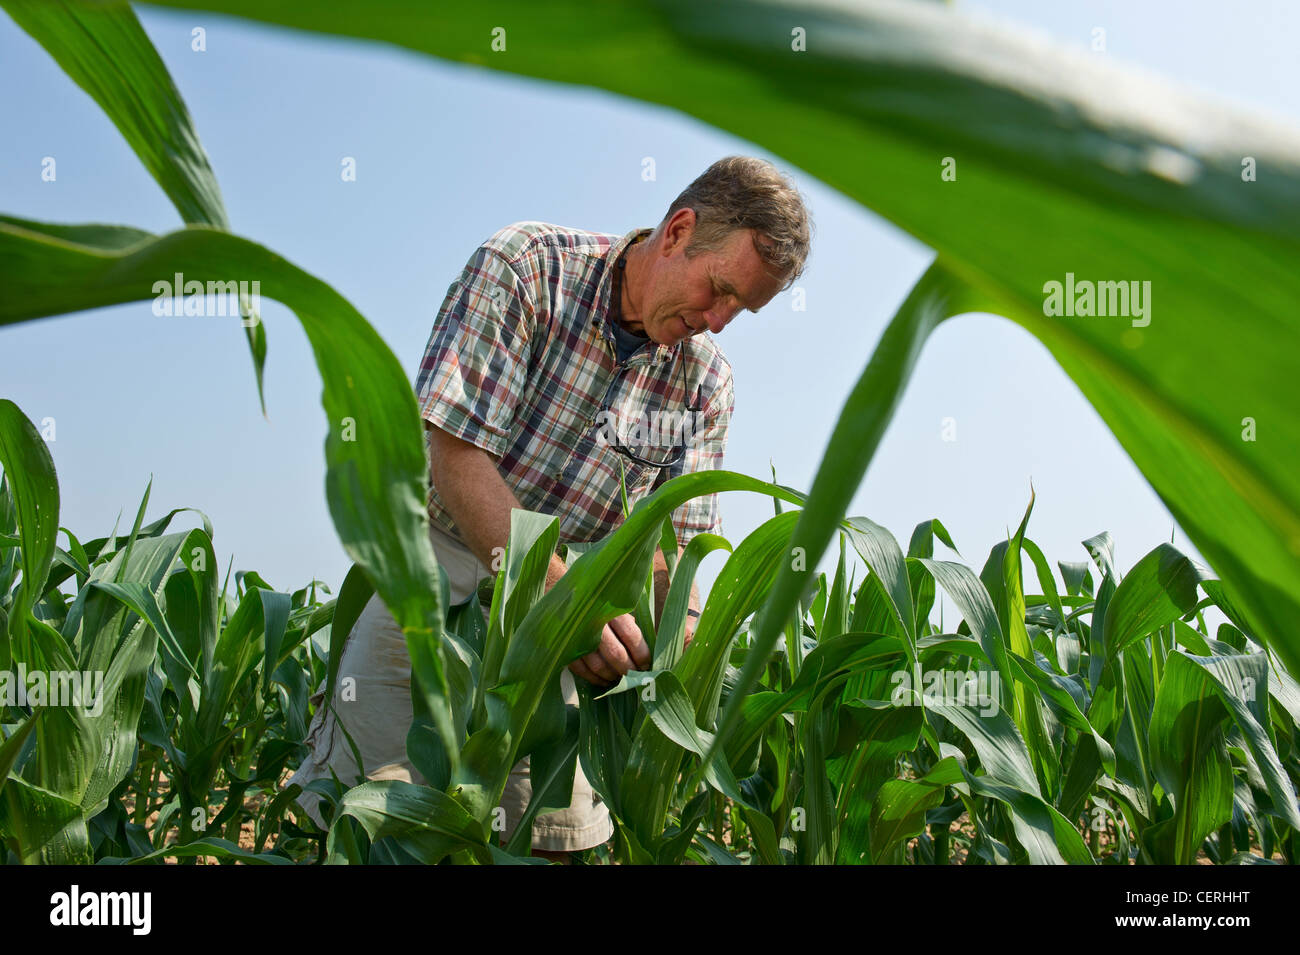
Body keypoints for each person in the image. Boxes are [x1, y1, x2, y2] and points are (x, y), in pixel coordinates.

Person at [287, 155, 812, 860]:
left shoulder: (704, 384)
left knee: (546, 833)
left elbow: (676, 550)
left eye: (738, 311)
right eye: (718, 290)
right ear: (677, 230)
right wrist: (559, 603)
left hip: (574, 595)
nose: (715, 321)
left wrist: (680, 639)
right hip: (441, 560)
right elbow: (456, 455)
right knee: (363, 813)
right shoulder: (528, 269)